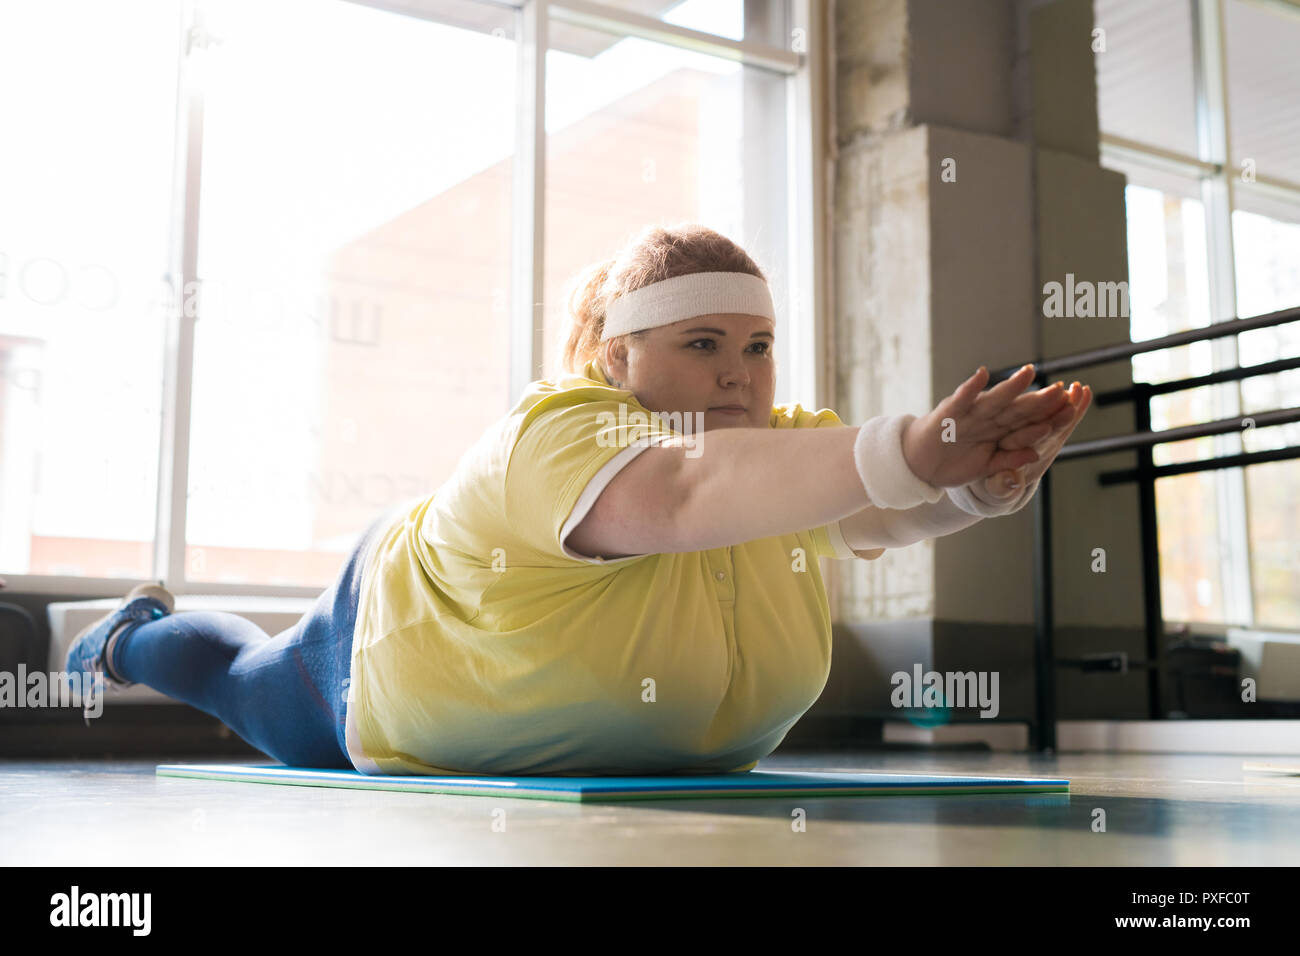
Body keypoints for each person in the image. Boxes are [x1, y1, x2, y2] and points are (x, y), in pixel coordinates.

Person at [68, 223, 1091, 775]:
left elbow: (873, 509)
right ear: (618, 354)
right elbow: (684, 497)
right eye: (702, 345)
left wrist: (973, 482)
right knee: (234, 672)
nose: (739, 374)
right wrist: (912, 444)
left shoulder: (776, 444)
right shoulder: (558, 426)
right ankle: (124, 635)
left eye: (756, 346)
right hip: (373, 654)